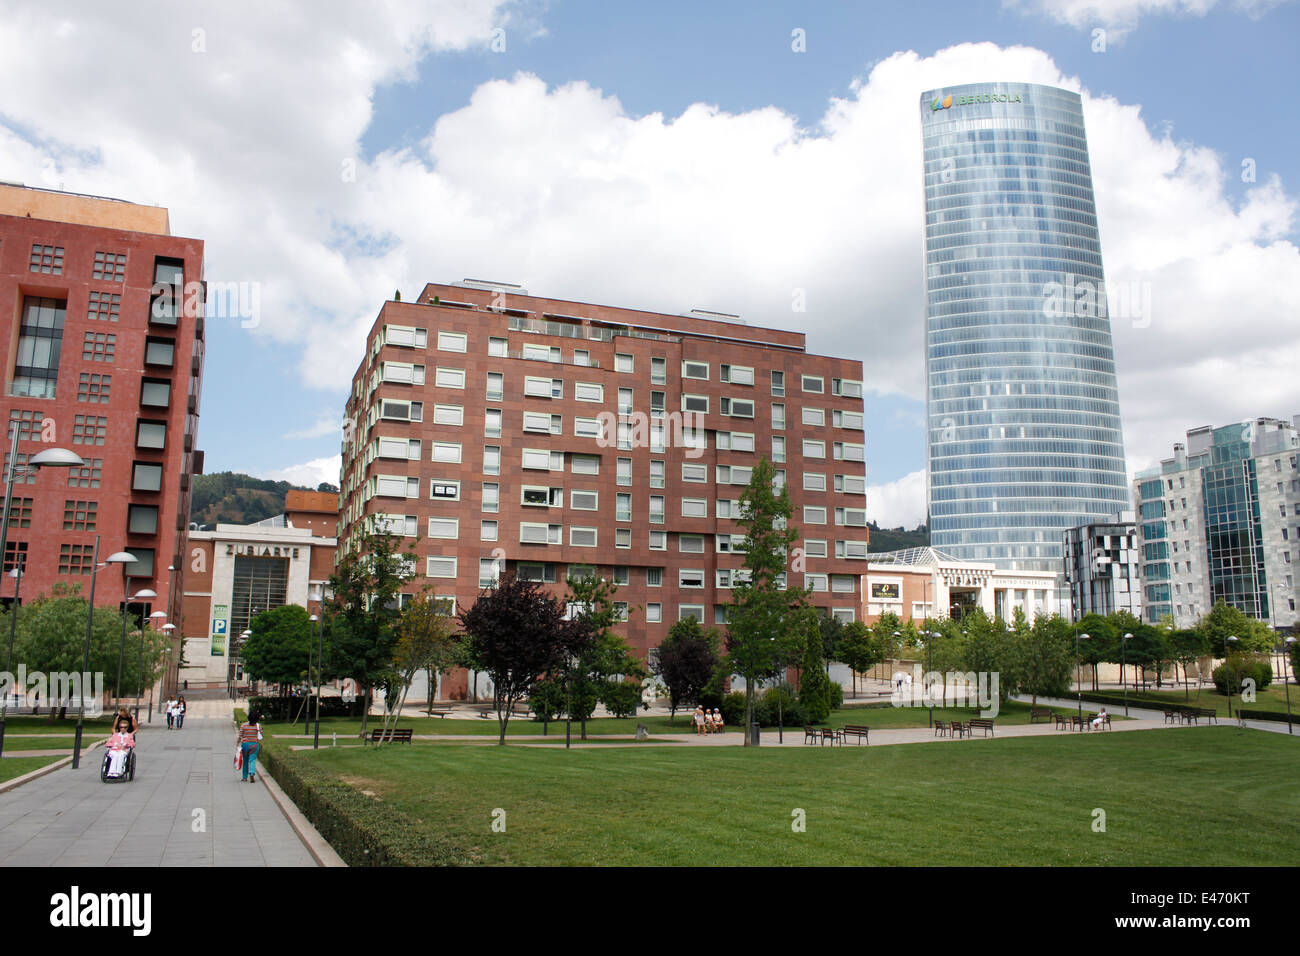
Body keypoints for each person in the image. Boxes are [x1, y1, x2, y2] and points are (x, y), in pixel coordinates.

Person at [236, 713, 263, 783]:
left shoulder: (243, 725)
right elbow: (261, 736)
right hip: (254, 744)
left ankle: (244, 777)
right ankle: (251, 773)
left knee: (245, 761)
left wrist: (237, 743)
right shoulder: (258, 726)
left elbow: (240, 736)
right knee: (252, 759)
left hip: (245, 745)